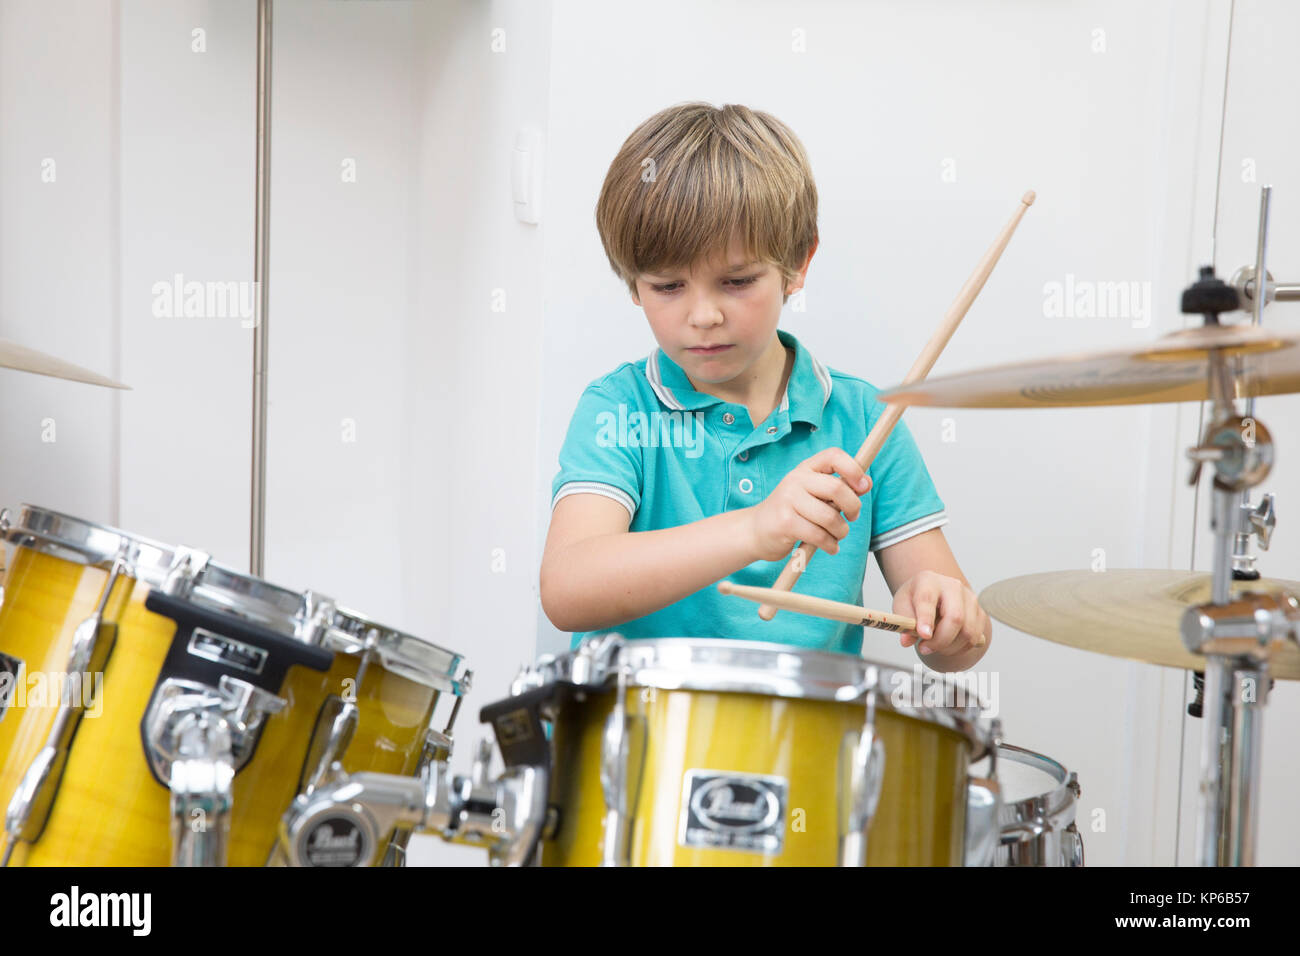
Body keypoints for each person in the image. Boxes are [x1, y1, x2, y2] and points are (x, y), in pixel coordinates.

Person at [540, 102, 990, 672]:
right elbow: (566, 589)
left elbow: (960, 648)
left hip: (803, 750)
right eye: (668, 285)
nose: (702, 315)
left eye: (736, 281)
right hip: (640, 744)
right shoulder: (619, 408)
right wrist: (756, 528)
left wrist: (946, 617)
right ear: (633, 283)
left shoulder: (865, 420)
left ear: (799, 264)